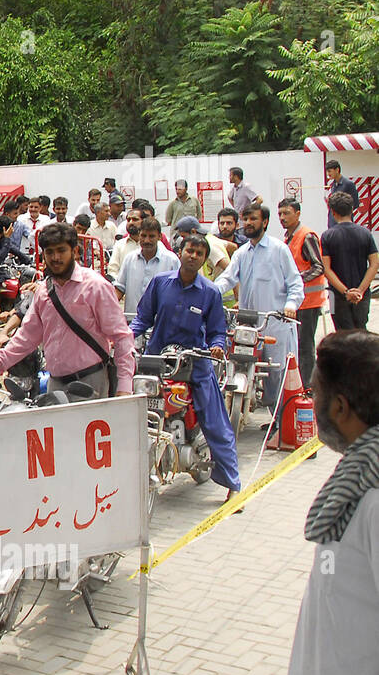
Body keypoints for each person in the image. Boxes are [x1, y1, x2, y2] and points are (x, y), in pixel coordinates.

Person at [279, 330, 379, 675]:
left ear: (339, 407)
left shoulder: (373, 499)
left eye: (315, 391)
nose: (310, 400)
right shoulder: (359, 476)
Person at [0, 223, 135, 398]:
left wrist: (125, 387)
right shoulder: (44, 292)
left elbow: (121, 337)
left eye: (61, 251)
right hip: (55, 384)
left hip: (90, 382)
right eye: (50, 252)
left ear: (75, 252)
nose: (55, 257)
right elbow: (25, 338)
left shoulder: (95, 287)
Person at [131, 235, 241, 494]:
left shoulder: (211, 292)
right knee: (134, 415)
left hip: (195, 365)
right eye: (189, 251)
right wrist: (125, 337)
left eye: (199, 253)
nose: (193, 256)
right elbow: (143, 318)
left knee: (216, 424)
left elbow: (217, 332)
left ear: (205, 261)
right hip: (157, 362)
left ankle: (233, 485)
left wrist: (216, 346)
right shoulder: (160, 283)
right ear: (180, 253)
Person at [215, 204, 303, 431]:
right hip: (249, 326)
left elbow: (296, 285)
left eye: (253, 219)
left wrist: (291, 306)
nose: (248, 224)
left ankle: (281, 421)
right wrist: (209, 293)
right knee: (237, 365)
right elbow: (227, 278)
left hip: (276, 324)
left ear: (264, 222)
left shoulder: (279, 249)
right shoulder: (242, 253)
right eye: (245, 219)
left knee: (277, 374)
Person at [279, 197, 327, 387]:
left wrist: (296, 279)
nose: (282, 217)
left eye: (287, 213)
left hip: (309, 302)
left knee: (305, 346)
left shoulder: (306, 236)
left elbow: (318, 266)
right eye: (280, 214)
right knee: (296, 345)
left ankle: (308, 387)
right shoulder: (288, 237)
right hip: (297, 302)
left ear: (297, 214)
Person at [321, 191, 379, 333]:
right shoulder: (365, 233)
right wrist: (360, 290)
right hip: (362, 296)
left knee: (341, 336)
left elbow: (326, 269)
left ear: (332, 212)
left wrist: (346, 292)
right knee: (360, 333)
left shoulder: (327, 236)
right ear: (352, 210)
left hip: (337, 296)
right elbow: (374, 263)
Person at [114, 217, 179, 315]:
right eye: (143, 236)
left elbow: (179, 293)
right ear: (139, 235)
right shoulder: (129, 258)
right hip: (133, 320)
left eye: (151, 236)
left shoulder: (171, 260)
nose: (146, 240)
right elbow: (119, 288)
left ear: (160, 237)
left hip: (160, 323)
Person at [106, 208, 142, 279]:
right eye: (128, 220)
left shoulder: (151, 243)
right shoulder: (120, 244)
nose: (131, 222)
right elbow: (112, 270)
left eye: (135, 219)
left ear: (144, 221)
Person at [324, 159, 360, 229]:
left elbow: (355, 203)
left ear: (337, 170)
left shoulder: (348, 184)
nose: (328, 174)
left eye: (329, 171)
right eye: (327, 172)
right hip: (332, 223)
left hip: (344, 223)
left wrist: (343, 212)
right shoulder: (333, 185)